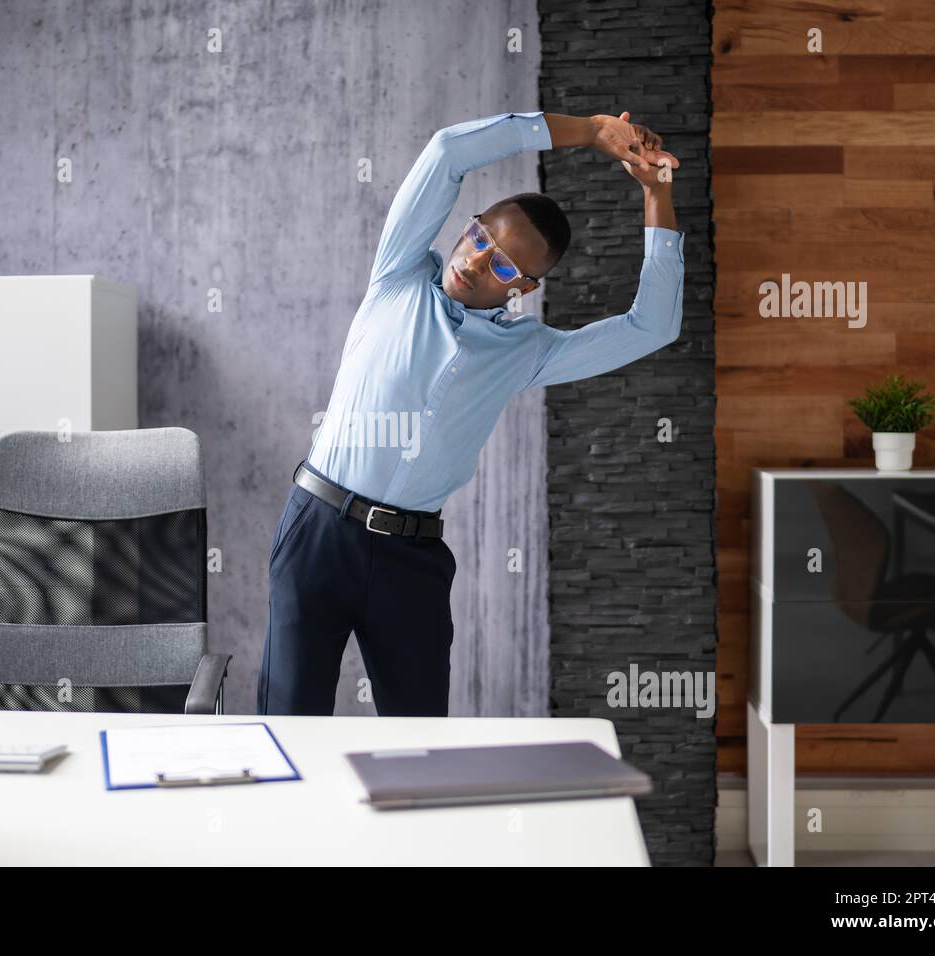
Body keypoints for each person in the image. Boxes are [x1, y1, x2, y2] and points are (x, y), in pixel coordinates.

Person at [257, 109, 684, 716]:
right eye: (480, 239)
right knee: (289, 731)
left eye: (505, 266)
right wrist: (588, 131)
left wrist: (657, 195)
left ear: (524, 289)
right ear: (469, 227)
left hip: (411, 559)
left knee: (422, 742)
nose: (477, 262)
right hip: (319, 532)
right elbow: (447, 149)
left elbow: (652, 327)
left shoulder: (526, 352)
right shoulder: (399, 275)